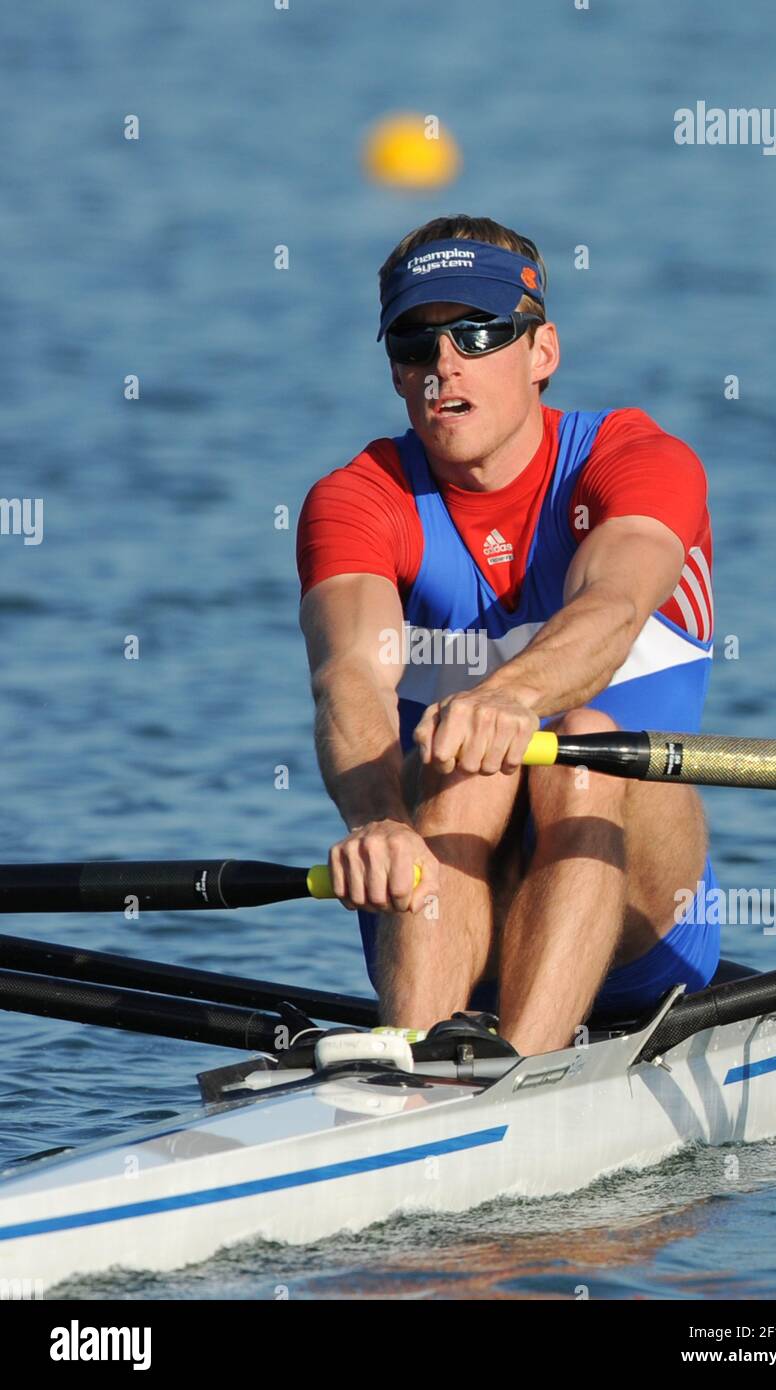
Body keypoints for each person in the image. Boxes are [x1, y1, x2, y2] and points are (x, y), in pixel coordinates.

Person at [296, 214, 718, 1056]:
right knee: (462, 759)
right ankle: (414, 1065)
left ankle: (516, 1076)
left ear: (542, 353)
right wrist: (377, 817)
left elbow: (612, 610)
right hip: (439, 904)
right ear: (395, 372)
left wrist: (506, 697)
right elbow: (349, 673)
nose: (443, 363)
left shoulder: (635, 460)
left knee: (579, 743)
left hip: (647, 928)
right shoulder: (357, 499)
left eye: (478, 332)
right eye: (416, 343)